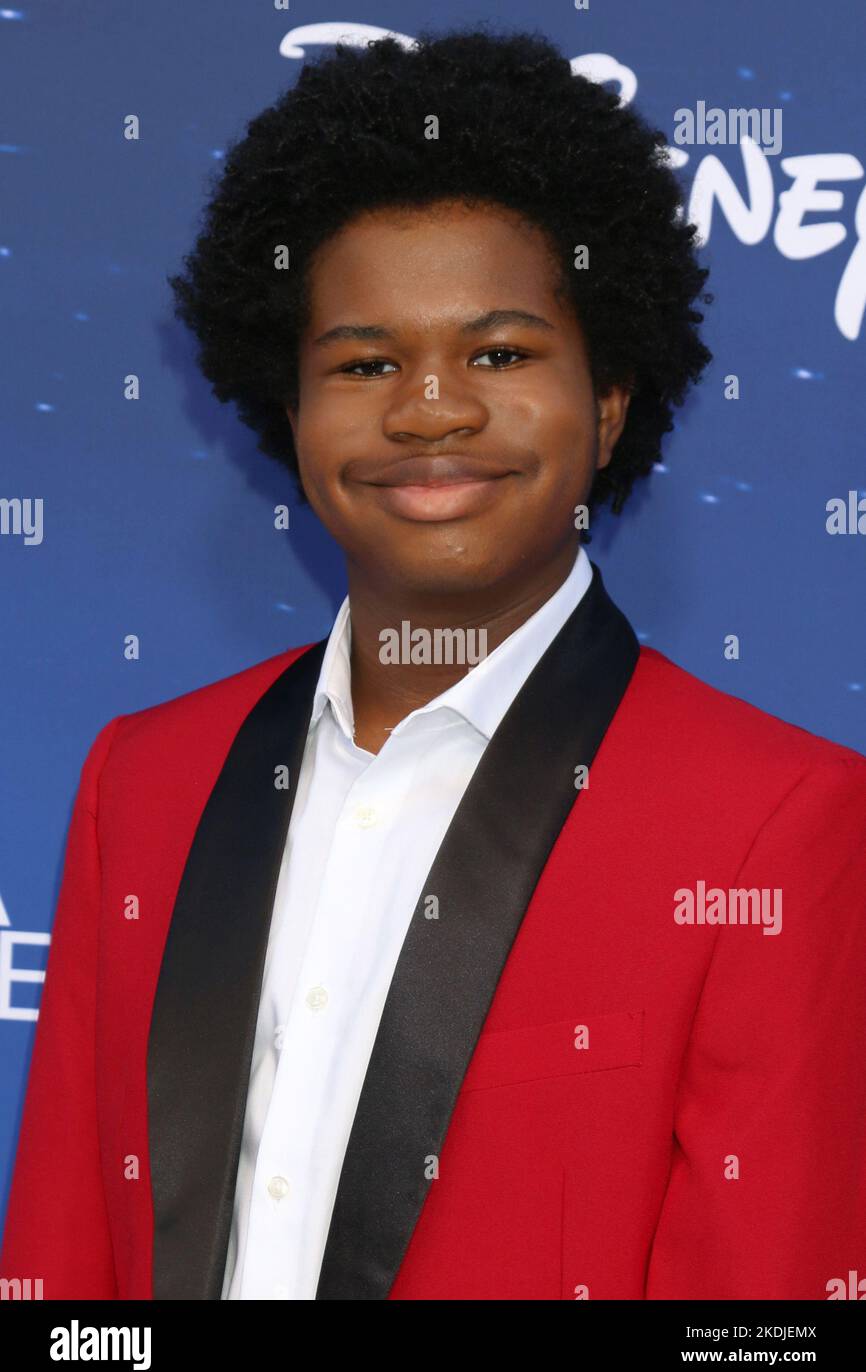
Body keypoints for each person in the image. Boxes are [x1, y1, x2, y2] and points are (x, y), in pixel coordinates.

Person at [2, 26, 865, 1302]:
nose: (429, 408)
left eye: (500, 354)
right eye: (363, 363)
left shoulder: (774, 819)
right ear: (286, 409)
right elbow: (70, 1289)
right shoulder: (143, 778)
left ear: (610, 397)